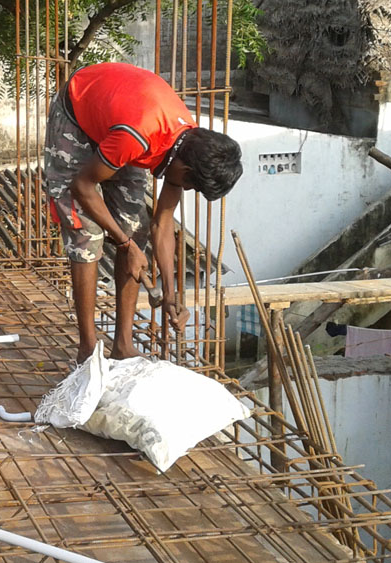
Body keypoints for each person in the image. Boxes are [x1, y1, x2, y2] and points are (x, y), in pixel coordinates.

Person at [44, 62, 242, 361]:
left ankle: (122, 345)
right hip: (78, 114)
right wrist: (123, 244)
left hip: (122, 121)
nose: (185, 189)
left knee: (135, 227)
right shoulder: (138, 136)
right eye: (190, 185)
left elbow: (161, 224)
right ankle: (87, 349)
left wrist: (172, 295)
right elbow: (83, 187)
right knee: (86, 233)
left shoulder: (188, 147)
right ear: (185, 170)